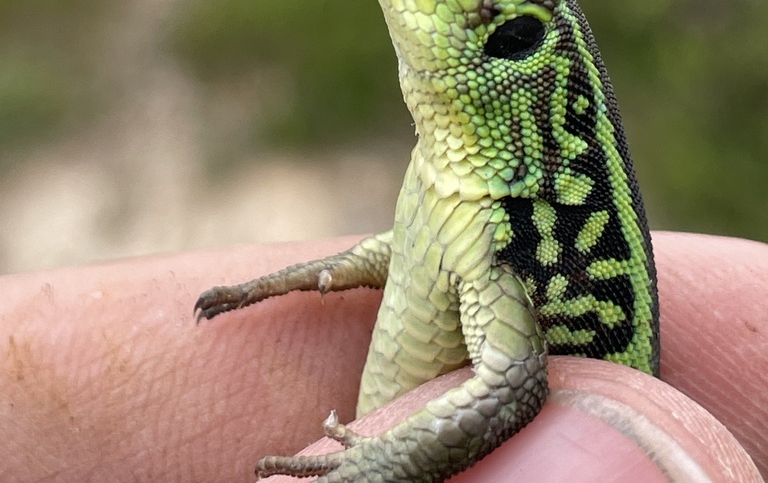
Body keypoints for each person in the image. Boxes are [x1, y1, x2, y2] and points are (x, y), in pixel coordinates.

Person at [2, 232, 765, 482]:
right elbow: (408, 249)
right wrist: (300, 278)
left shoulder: (499, 233)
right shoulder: (457, 192)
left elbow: (514, 381)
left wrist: (375, 469)